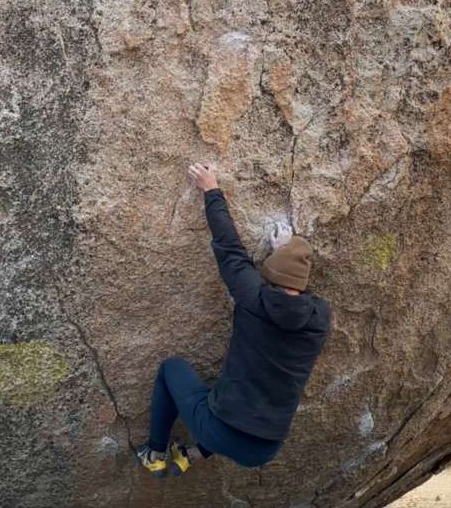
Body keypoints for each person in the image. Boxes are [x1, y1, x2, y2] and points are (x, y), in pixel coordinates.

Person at [136, 163, 331, 477]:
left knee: (172, 369)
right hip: (266, 449)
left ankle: (155, 453)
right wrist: (288, 256)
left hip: (221, 429)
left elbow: (229, 250)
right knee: (234, 392)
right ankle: (190, 454)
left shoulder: (253, 298)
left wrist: (211, 189)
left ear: (269, 275)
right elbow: (296, 288)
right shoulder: (320, 319)